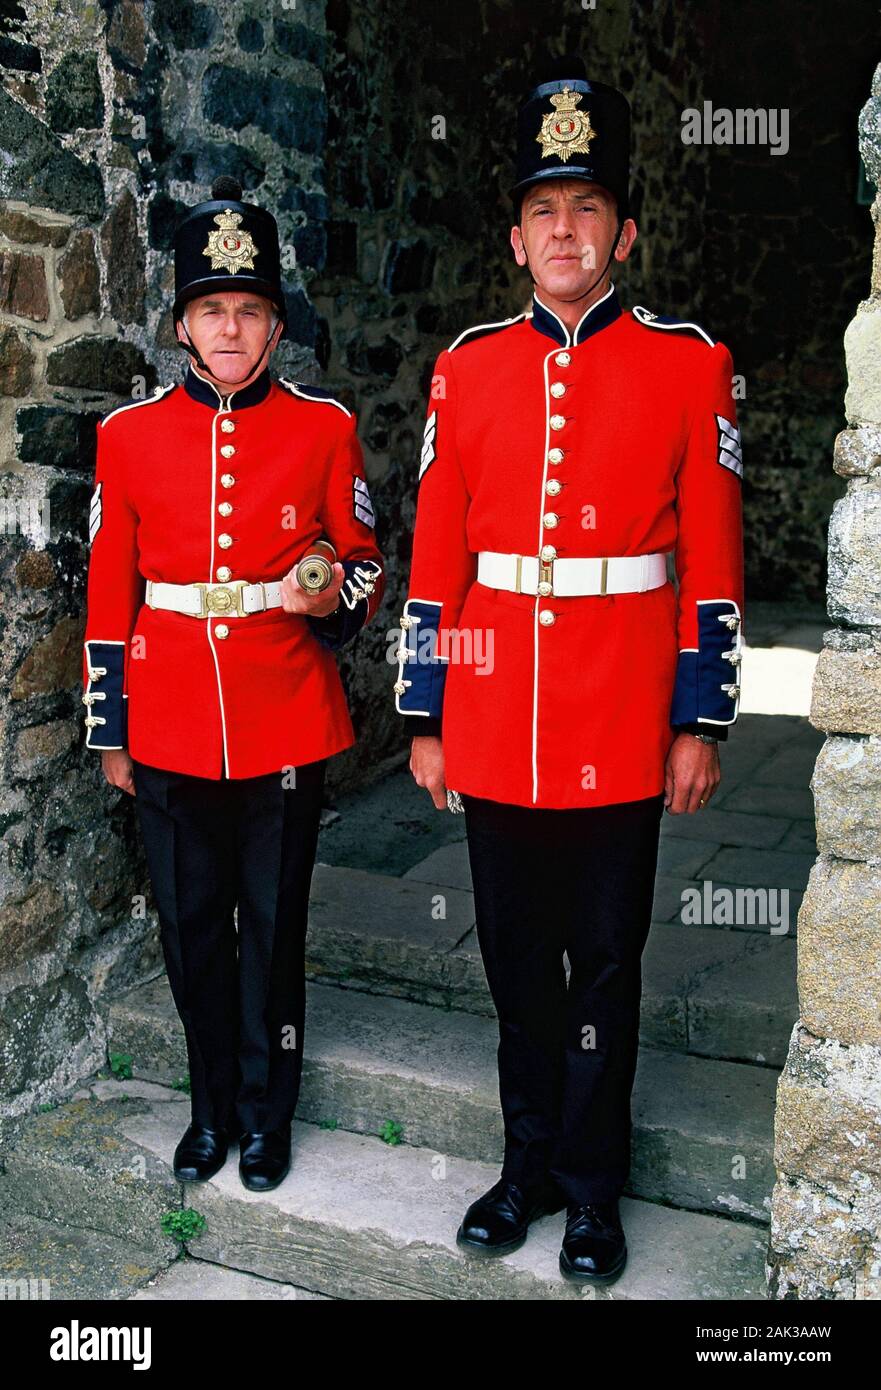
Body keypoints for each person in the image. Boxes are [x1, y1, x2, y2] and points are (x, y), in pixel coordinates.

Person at [394, 59, 744, 1284]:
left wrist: (698, 718)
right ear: (514, 236)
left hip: (618, 710)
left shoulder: (688, 364)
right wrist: (424, 708)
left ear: (623, 232)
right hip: (492, 718)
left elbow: (711, 561)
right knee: (510, 961)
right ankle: (525, 1160)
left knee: (601, 962)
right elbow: (437, 557)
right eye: (543, 210)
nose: (563, 230)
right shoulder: (468, 363)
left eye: (585, 207)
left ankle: (592, 1188)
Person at [82, 176, 384, 1193]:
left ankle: (266, 1113)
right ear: (181, 324)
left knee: (273, 928)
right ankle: (208, 1107)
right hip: (164, 723)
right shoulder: (126, 438)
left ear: (274, 324)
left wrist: (326, 592)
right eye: (212, 310)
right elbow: (109, 591)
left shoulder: (323, 429)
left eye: (249, 311)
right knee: (188, 926)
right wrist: (110, 732)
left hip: (285, 722)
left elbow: (366, 564)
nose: (230, 329)